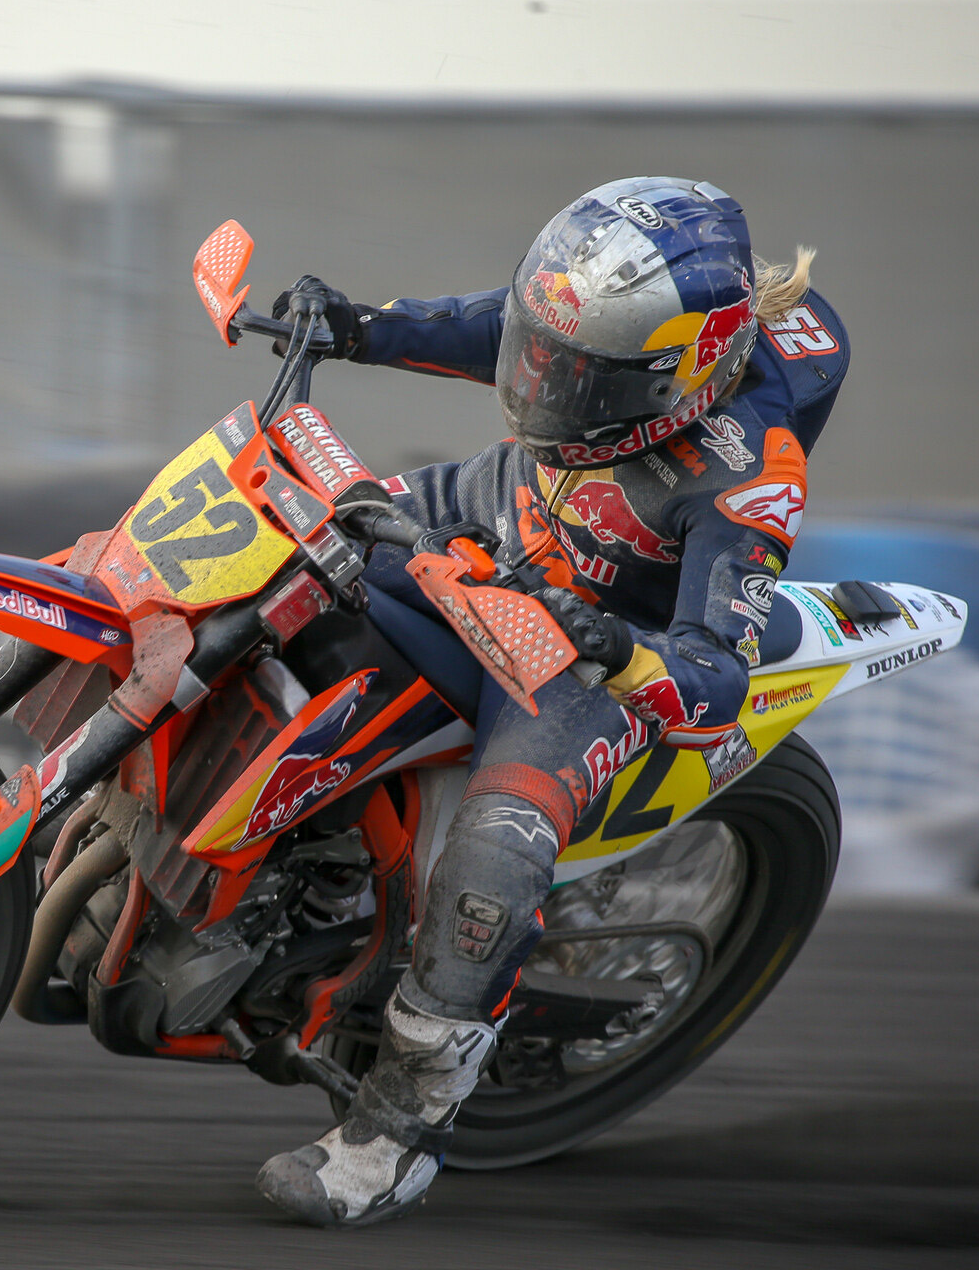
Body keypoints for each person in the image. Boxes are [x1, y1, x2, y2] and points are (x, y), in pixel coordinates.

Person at [253, 177, 849, 1227]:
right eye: (546, 350)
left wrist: (612, 644)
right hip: (494, 507)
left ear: (681, 377)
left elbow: (714, 676)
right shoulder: (596, 339)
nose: (541, 381)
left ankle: (395, 1133)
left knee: (499, 845)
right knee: (273, 549)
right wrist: (357, 326)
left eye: (579, 376)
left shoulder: (748, 476)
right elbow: (497, 324)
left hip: (589, 655)